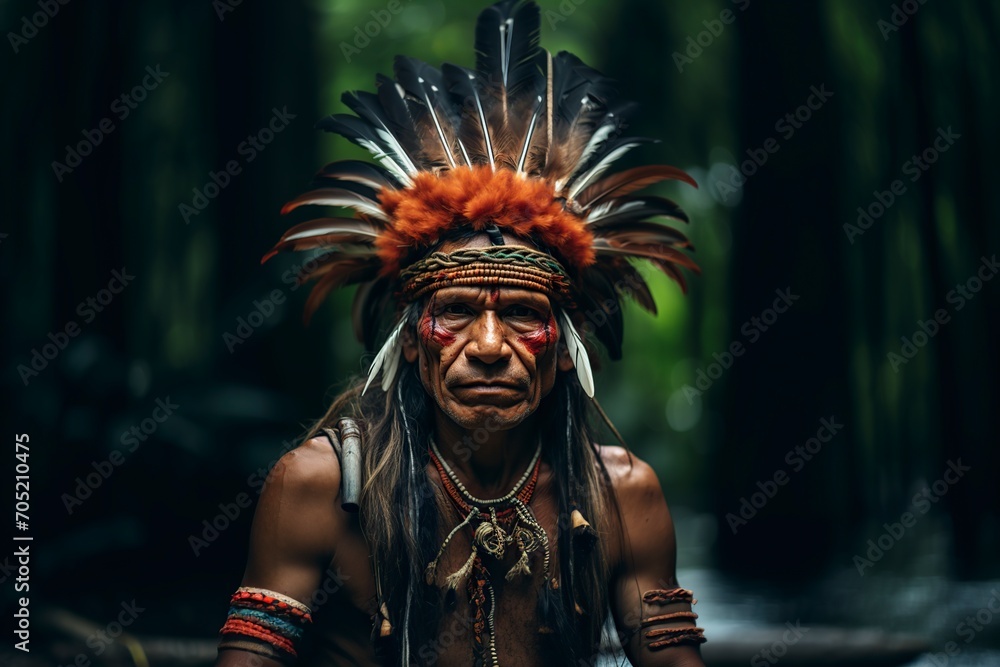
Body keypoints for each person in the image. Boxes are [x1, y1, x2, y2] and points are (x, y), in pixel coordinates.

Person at [215, 1, 706, 665]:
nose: (488, 345)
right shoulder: (319, 488)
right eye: (456, 311)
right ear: (413, 339)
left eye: (524, 315)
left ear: (563, 348)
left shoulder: (622, 497)